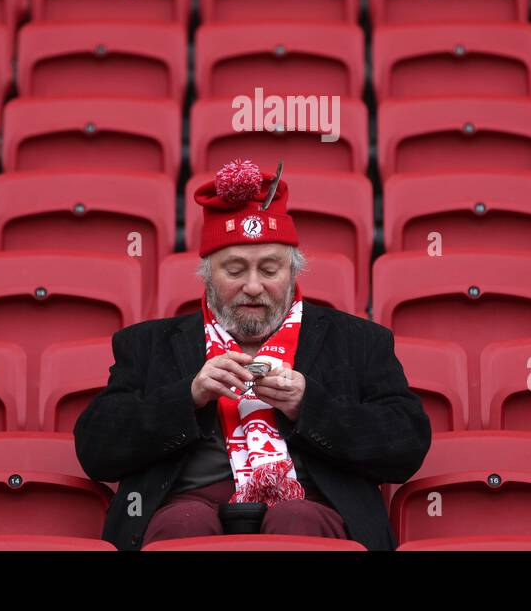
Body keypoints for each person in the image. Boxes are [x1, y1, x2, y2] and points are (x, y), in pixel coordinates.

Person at [74, 158, 432, 550]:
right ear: (208, 275)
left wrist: (309, 406)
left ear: (293, 272)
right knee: (182, 522)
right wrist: (188, 396)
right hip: (185, 504)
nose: (253, 286)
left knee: (296, 518)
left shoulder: (359, 341)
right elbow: (96, 449)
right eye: (235, 270)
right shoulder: (146, 344)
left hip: (315, 503)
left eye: (269, 269)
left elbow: (406, 444)